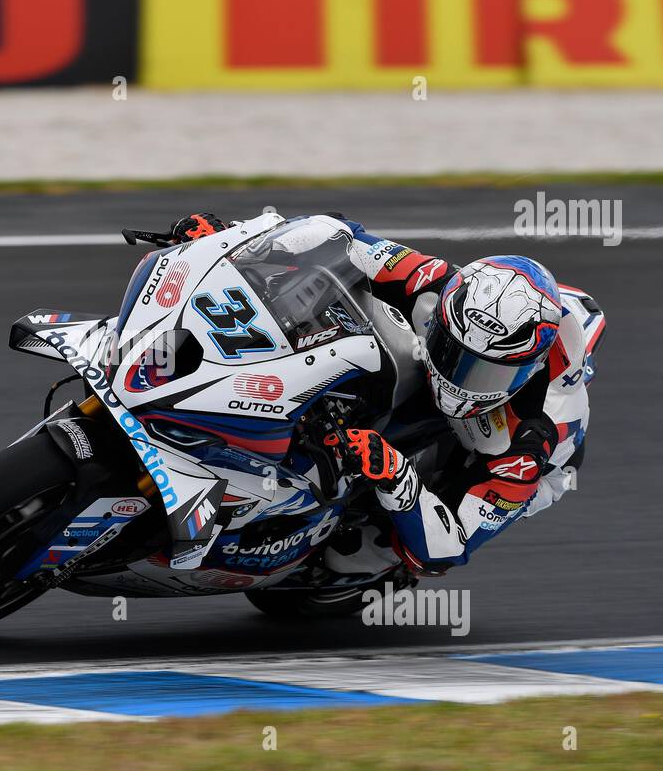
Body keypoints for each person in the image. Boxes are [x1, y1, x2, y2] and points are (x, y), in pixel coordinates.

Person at [165, 211, 604, 576]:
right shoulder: (434, 283)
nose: (458, 378)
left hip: (495, 445)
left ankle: (348, 563)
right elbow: (340, 235)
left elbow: (447, 549)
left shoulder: (531, 445)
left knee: (361, 555)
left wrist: (397, 478)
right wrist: (237, 240)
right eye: (452, 352)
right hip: (435, 366)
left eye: (483, 372)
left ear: (524, 371)